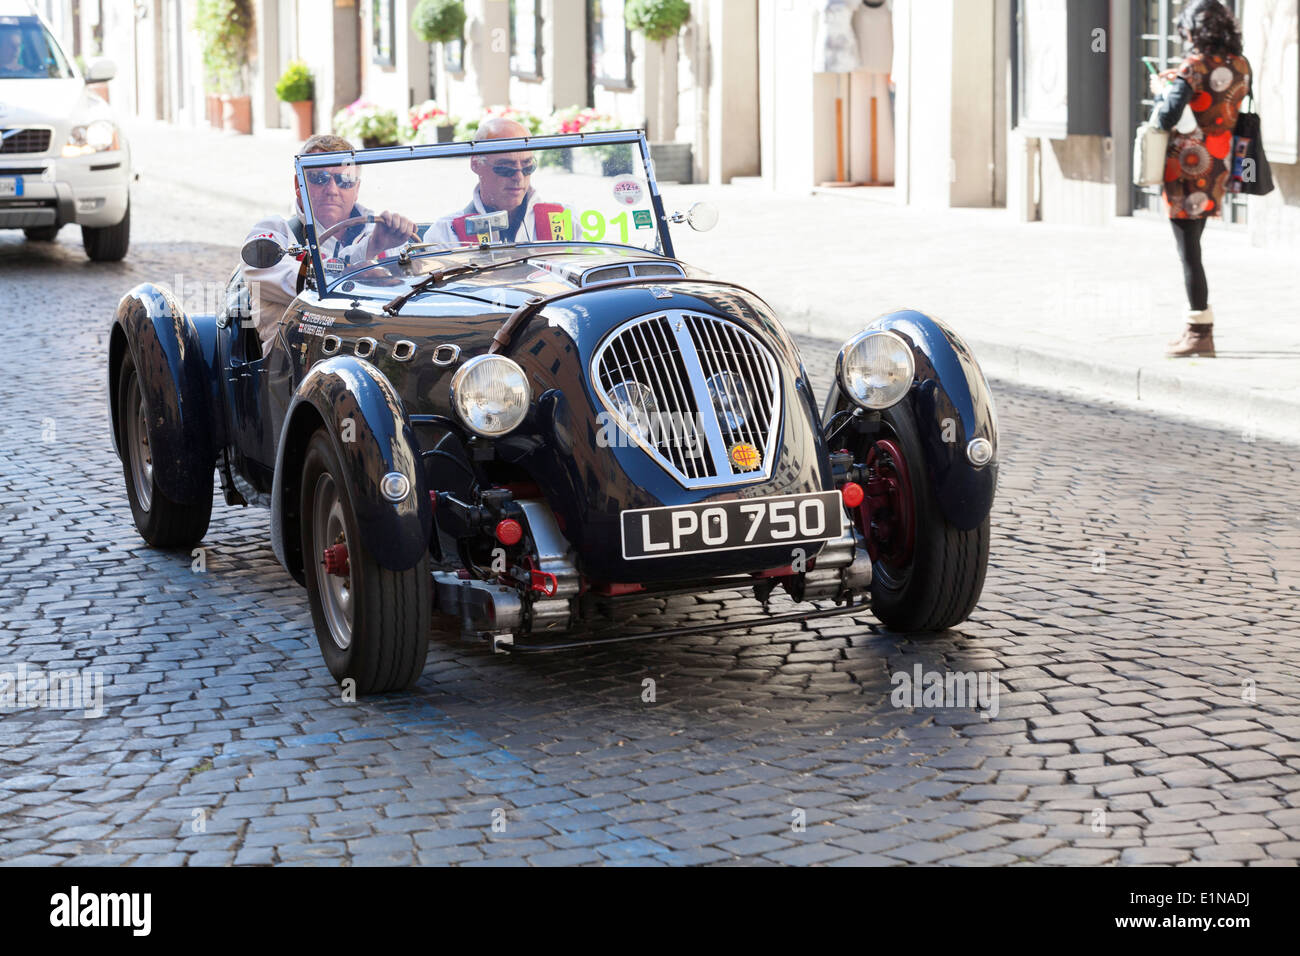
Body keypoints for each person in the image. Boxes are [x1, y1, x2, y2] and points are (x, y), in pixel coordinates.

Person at [241, 133, 418, 350]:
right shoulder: (276, 234)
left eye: (345, 181)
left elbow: (416, 295)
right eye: (319, 178)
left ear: (357, 188)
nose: (332, 190)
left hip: (379, 354)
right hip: (296, 365)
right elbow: (305, 286)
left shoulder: (384, 233)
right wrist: (367, 252)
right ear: (299, 183)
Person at [1151, 0, 1251, 358]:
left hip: (1187, 168)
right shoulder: (1240, 65)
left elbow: (1165, 118)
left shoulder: (1192, 66)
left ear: (1194, 30)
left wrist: (1161, 90)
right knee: (1194, 247)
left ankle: (1200, 331)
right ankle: (1194, 325)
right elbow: (1218, 103)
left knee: (1188, 252)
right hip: (1219, 165)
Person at [424, 117, 577, 246]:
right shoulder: (446, 235)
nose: (519, 177)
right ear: (476, 164)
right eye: (505, 168)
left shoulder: (564, 219)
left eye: (527, 167)